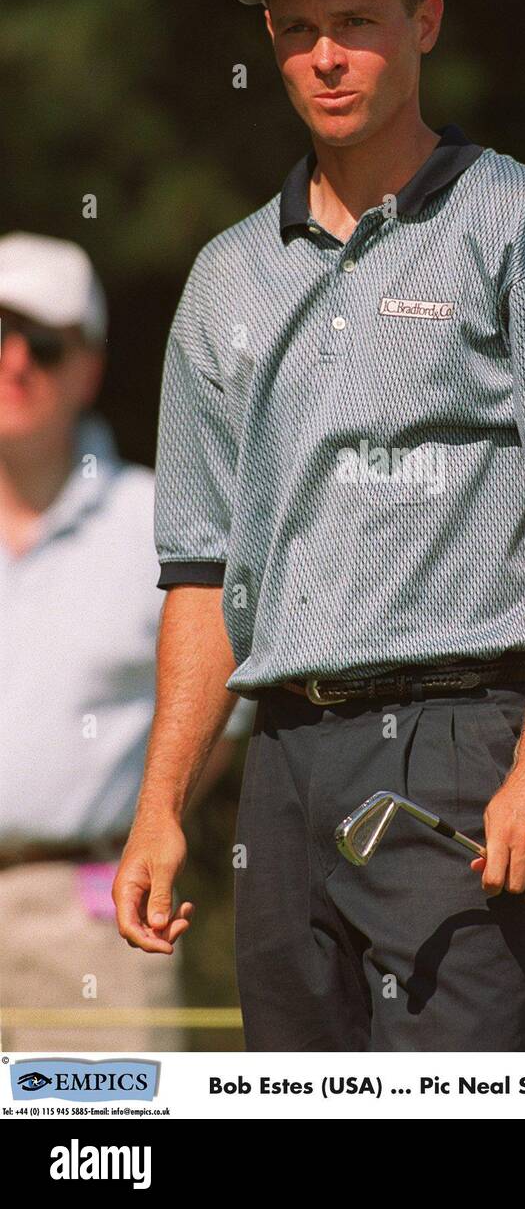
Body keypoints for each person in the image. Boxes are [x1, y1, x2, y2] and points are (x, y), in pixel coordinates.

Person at [115, 0, 525, 1053]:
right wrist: (160, 802)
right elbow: (203, 570)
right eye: (300, 28)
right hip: (281, 767)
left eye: (358, 21)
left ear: (425, 20)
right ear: (271, 40)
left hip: (460, 749)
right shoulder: (225, 275)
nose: (327, 55)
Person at [0, 232, 253, 1053]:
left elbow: (232, 703)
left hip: (88, 913)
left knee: (103, 1156)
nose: (14, 363)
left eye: (41, 343)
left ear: (88, 368)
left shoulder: (160, 522)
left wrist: (153, 813)